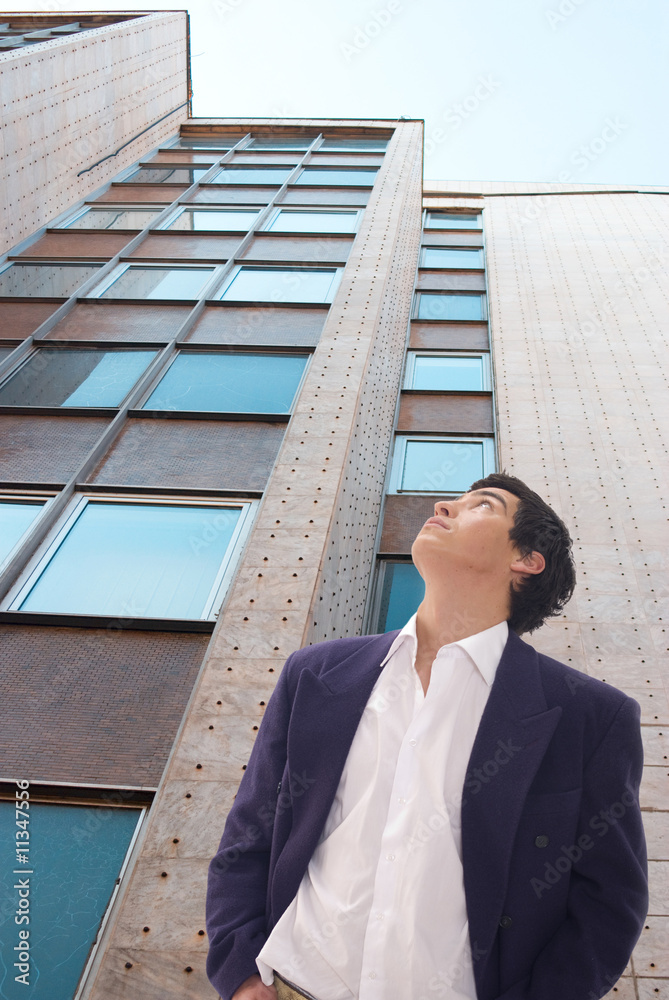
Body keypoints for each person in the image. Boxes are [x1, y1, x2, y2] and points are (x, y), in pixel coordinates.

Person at [206, 472, 648, 1000]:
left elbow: (609, 901)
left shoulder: (591, 717)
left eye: (481, 505)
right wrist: (242, 978)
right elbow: (248, 836)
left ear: (526, 560)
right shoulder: (316, 674)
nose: (444, 505)